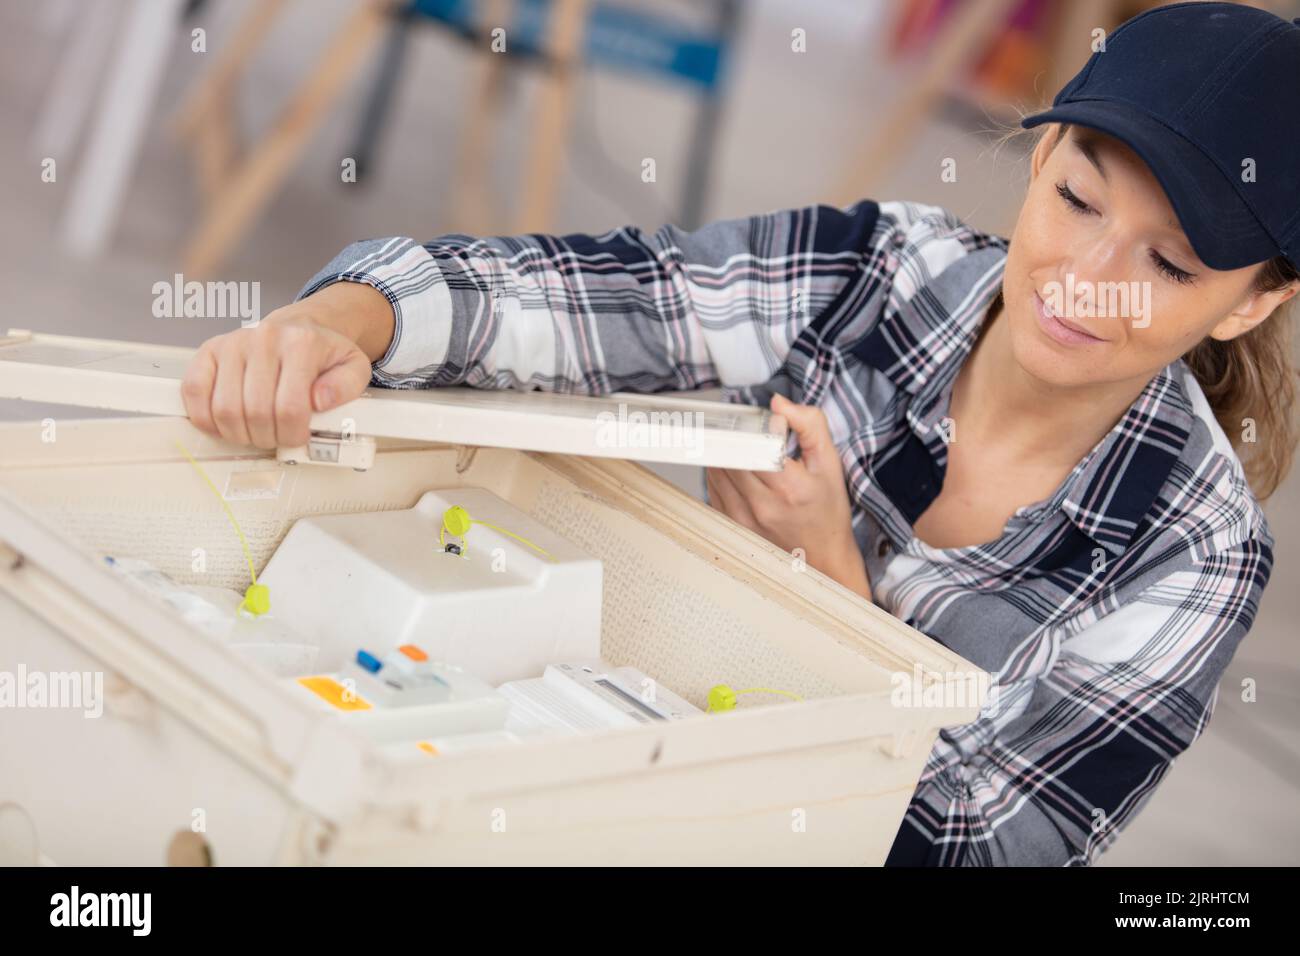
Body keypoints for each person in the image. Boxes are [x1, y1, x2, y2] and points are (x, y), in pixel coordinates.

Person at [181, 3, 1299, 864]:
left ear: (1251, 303)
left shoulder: (1193, 549)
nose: (1088, 283)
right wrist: (346, 318)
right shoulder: (879, 274)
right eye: (1077, 202)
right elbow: (591, 299)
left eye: (1166, 265)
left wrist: (830, 594)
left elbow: (973, 847)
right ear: (1040, 156)